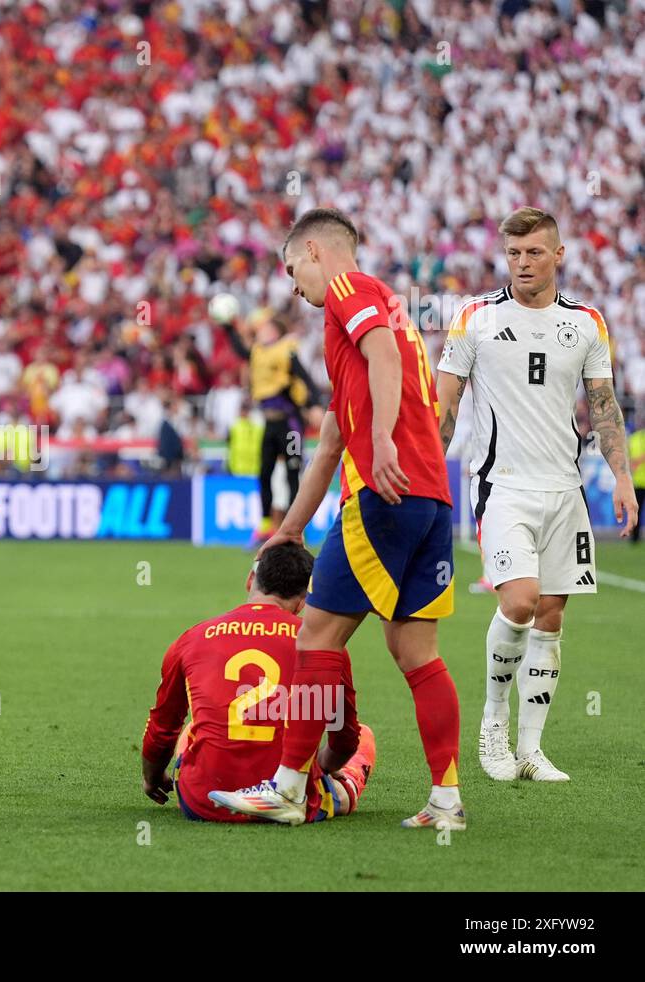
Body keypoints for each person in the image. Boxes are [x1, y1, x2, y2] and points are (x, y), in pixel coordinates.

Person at [210, 208, 464, 830]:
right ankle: (446, 800)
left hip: (383, 494)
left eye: (293, 266)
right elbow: (327, 444)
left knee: (315, 637)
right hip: (430, 503)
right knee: (416, 652)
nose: (293, 283)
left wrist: (380, 439)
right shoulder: (384, 319)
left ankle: (289, 788)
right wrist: (290, 528)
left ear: (318, 251)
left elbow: (383, 359)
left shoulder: (353, 293)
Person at [437, 207, 639, 782]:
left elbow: (603, 406)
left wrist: (621, 476)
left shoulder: (588, 323)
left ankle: (531, 750)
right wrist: (430, 465)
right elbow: (445, 404)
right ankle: (493, 724)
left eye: (533, 252)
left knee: (552, 616)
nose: (522, 263)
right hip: (502, 486)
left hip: (565, 489)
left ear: (559, 255)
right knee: (520, 601)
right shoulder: (474, 317)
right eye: (514, 253)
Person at [141, 542, 376, 824]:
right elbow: (345, 740)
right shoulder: (324, 645)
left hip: (205, 801)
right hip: (292, 797)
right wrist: (322, 767)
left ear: (251, 580)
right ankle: (342, 787)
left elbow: (162, 729)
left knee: (192, 727)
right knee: (364, 737)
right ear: (305, 601)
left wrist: (152, 778)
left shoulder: (192, 638)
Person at [221, 314, 320, 542]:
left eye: (265, 328)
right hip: (270, 423)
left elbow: (305, 378)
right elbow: (241, 352)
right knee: (264, 473)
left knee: (293, 473)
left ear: (275, 332)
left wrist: (314, 404)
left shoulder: (287, 351)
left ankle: (297, 526)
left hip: (291, 424)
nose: (261, 332)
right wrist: (228, 327)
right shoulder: (259, 352)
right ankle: (266, 524)